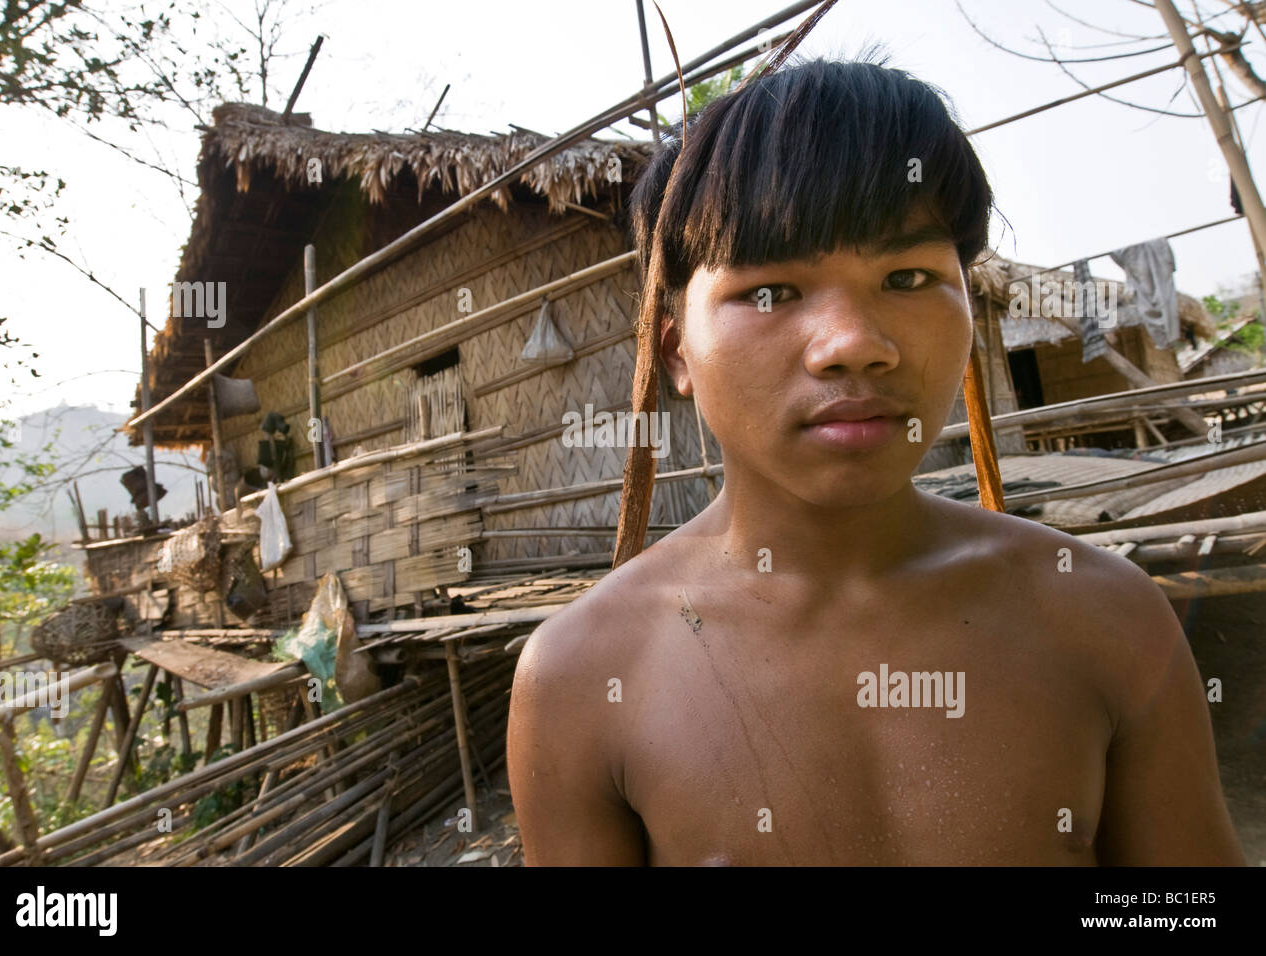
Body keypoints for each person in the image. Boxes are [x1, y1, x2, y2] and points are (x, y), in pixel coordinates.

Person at [506, 58, 1244, 865]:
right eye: (772, 292)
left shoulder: (1108, 617)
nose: (853, 342)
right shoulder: (582, 678)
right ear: (675, 350)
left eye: (907, 276)